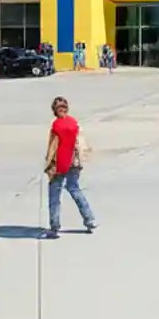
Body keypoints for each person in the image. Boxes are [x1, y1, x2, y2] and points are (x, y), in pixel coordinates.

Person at [43, 96, 96, 239]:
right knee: (74, 188)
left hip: (60, 163)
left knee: (54, 194)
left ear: (54, 111)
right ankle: (90, 220)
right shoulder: (74, 123)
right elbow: (82, 143)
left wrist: (48, 165)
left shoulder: (56, 126)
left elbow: (53, 148)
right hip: (75, 162)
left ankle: (54, 227)